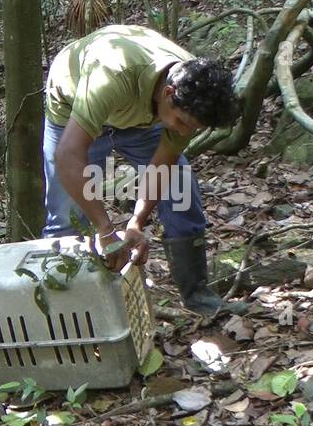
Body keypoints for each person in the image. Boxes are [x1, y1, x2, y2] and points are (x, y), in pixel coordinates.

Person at [41, 24, 241, 315]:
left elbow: (163, 167)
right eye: (183, 123)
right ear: (169, 93)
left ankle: (197, 295)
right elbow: (69, 156)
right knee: (67, 216)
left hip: (142, 116)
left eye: (194, 128)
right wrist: (105, 229)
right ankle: (63, 309)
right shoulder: (109, 76)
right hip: (75, 107)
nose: (186, 131)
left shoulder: (193, 96)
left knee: (181, 190)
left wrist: (136, 222)